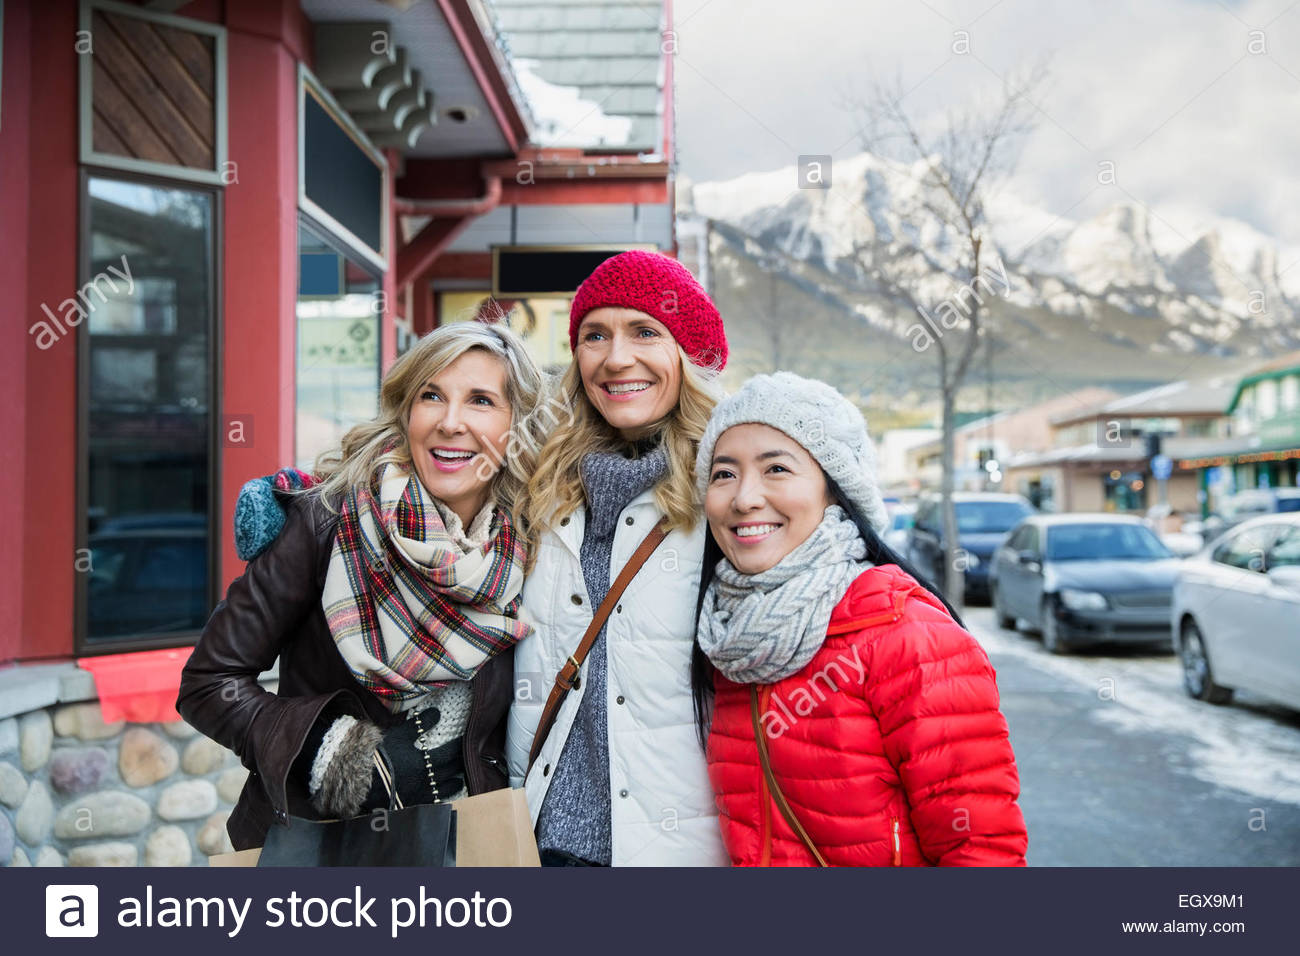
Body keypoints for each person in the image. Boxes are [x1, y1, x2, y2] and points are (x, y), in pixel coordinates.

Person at [177, 322, 544, 851]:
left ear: (519, 425)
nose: (450, 422)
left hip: (467, 841)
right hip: (319, 845)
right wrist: (328, 752)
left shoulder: (533, 548)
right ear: (406, 410)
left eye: (481, 400)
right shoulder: (322, 522)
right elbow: (208, 682)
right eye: (431, 396)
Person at [693, 372, 1029, 866]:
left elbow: (980, 848)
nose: (744, 497)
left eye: (777, 469)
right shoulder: (727, 637)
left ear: (836, 491)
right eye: (724, 474)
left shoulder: (908, 633)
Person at [505, 250, 730, 866]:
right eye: (594, 335)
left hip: (675, 853)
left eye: (645, 332)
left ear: (689, 356)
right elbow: (438, 465)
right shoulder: (543, 483)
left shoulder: (728, 494)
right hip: (542, 840)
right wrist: (306, 504)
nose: (615, 357)